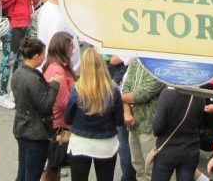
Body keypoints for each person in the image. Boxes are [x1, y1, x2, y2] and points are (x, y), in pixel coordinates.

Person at [66, 48, 124, 181]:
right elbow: (119, 121)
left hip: (81, 143)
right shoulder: (113, 90)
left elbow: (68, 118)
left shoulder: (77, 89)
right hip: (106, 143)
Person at [13, 37, 61, 181]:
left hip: (21, 128)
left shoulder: (18, 72)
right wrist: (54, 86)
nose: (44, 57)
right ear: (36, 56)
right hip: (35, 133)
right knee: (32, 174)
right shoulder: (32, 79)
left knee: (22, 172)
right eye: (43, 54)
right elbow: (46, 105)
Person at [121, 57, 165, 181]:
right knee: (137, 166)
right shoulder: (136, 61)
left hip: (149, 126)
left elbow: (141, 95)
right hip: (133, 124)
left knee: (151, 168)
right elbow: (126, 87)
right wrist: (127, 112)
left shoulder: (159, 67)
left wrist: (114, 96)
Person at [43, 32, 78, 181]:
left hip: (55, 123)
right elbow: (64, 103)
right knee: (53, 168)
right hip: (59, 126)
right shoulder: (58, 70)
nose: (73, 49)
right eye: (71, 46)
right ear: (63, 48)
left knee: (54, 167)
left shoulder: (54, 66)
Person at [149, 87, 204, 181]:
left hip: (167, 149)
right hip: (190, 148)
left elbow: (158, 127)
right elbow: (200, 123)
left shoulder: (167, 94)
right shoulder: (199, 95)